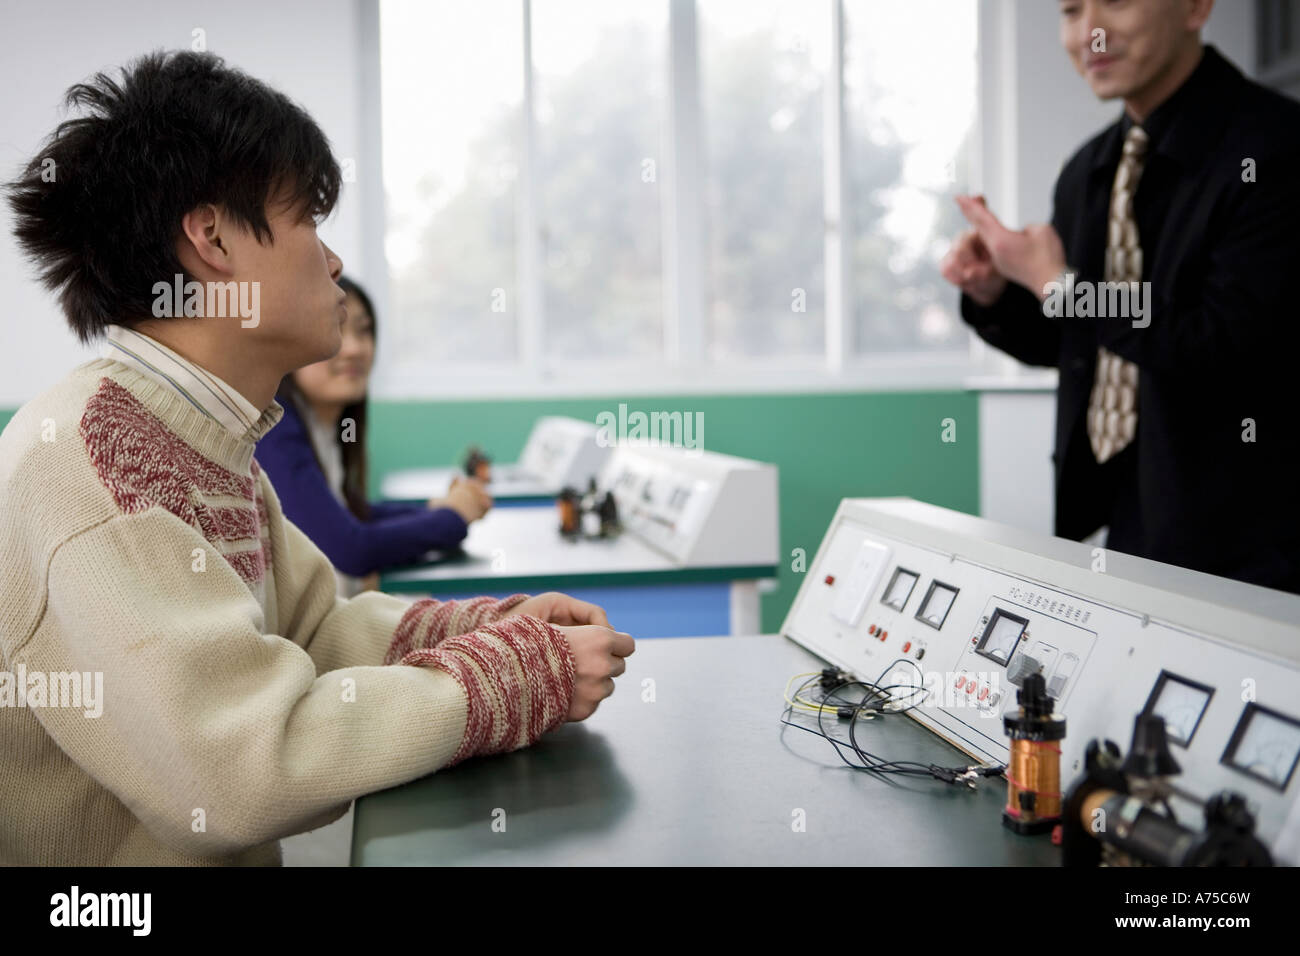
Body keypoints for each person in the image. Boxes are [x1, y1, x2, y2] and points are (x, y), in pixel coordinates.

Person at [0, 50, 633, 865]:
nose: (332, 262)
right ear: (213, 237)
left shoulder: (201, 434)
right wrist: (510, 679)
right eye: (308, 222)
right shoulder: (93, 463)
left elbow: (314, 629)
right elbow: (236, 774)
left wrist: (484, 627)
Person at [941, 0, 1300, 592]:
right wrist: (999, 292)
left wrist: (1061, 286)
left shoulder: (1274, 151)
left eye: (1115, 1)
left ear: (1195, 7)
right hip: (1123, 523)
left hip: (1253, 538)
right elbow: (1081, 342)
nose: (1090, 32)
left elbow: (1219, 338)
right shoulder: (1089, 168)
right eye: (1071, 9)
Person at [258, 275, 491, 597]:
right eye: (336, 327)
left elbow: (351, 511)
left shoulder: (327, 427)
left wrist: (437, 508)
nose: (354, 348)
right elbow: (351, 547)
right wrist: (452, 517)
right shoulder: (275, 429)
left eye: (364, 330)